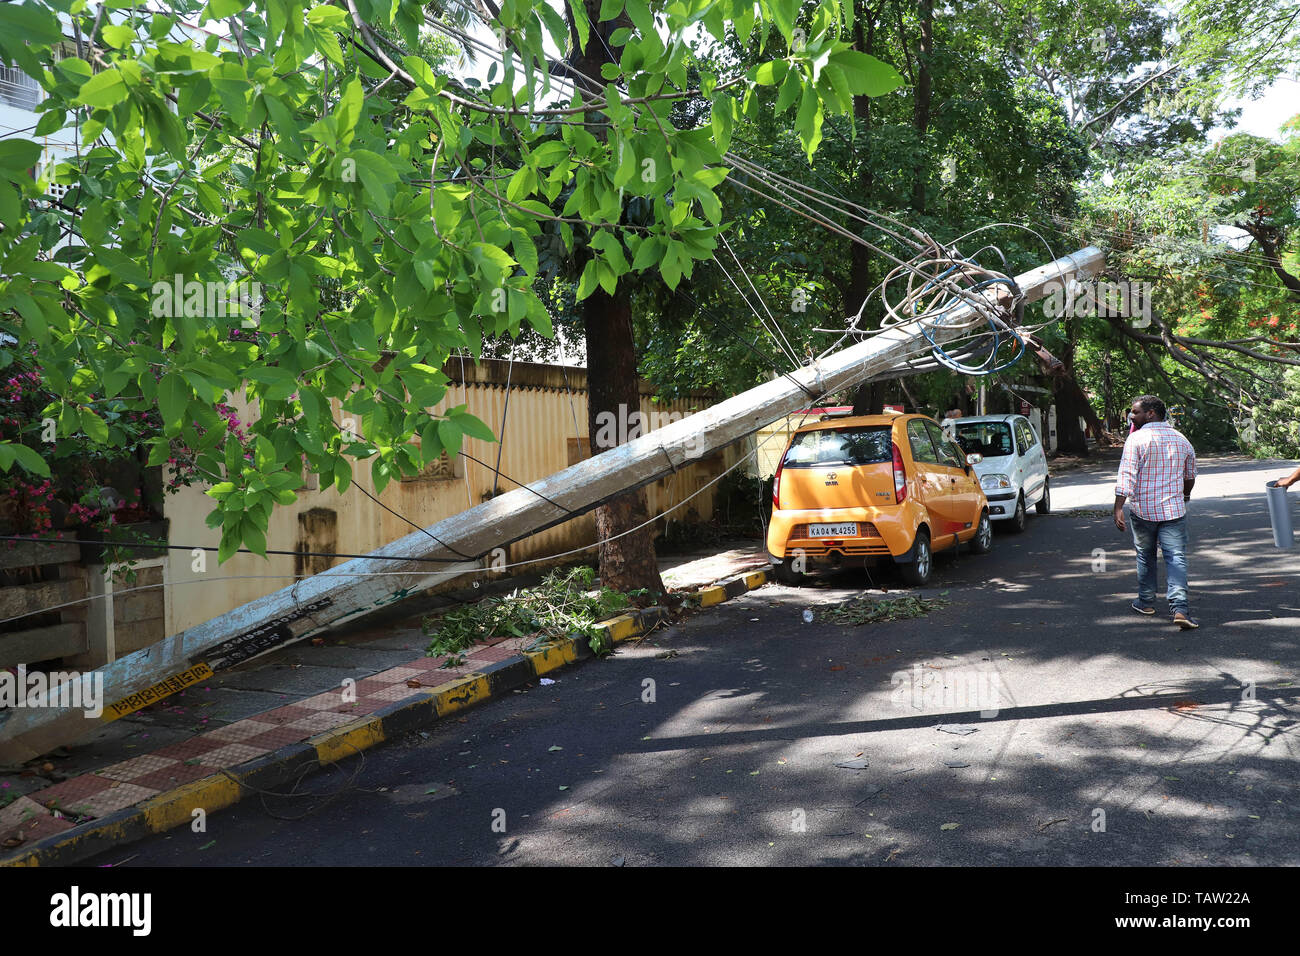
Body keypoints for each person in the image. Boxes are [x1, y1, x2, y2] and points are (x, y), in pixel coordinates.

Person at [1113, 395, 1199, 629]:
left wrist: (1118, 506)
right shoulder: (1182, 439)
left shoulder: (1136, 439)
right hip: (1173, 510)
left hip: (1143, 511)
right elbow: (1189, 475)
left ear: (1151, 413)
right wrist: (1185, 496)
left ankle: (1146, 602)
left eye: (1135, 412)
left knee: (1146, 555)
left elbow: (1127, 475)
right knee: (1176, 557)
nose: (1131, 416)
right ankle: (1180, 609)